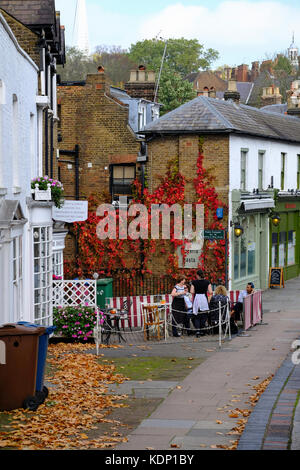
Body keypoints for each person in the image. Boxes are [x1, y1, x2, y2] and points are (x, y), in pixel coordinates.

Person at [190, 270, 213, 337]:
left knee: (197, 315)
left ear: (197, 275)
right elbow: (210, 292)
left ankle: (198, 331)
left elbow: (192, 291)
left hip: (197, 298)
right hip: (204, 299)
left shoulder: (194, 282)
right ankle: (203, 331)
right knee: (204, 315)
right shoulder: (207, 282)